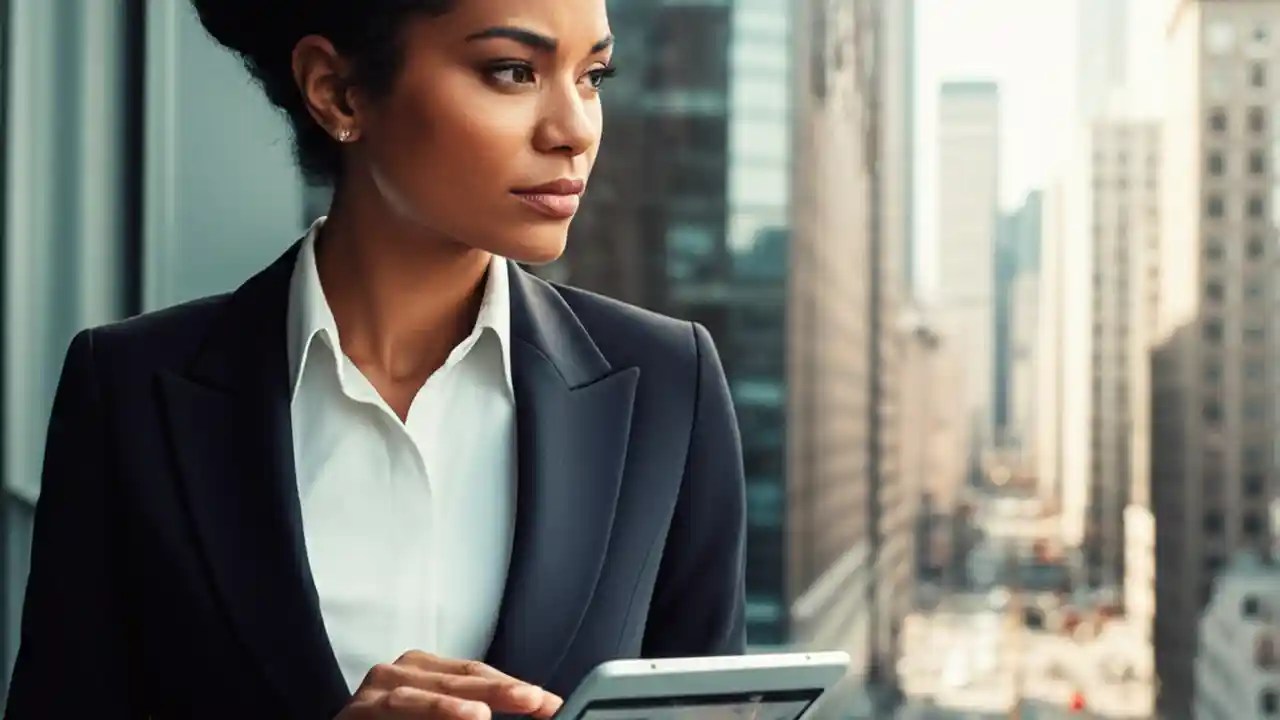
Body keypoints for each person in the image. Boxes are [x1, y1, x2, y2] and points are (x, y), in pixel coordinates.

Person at [3, 1, 747, 718]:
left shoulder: (667, 385)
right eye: (513, 71)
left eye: (593, 76)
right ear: (337, 91)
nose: (574, 130)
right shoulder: (130, 392)